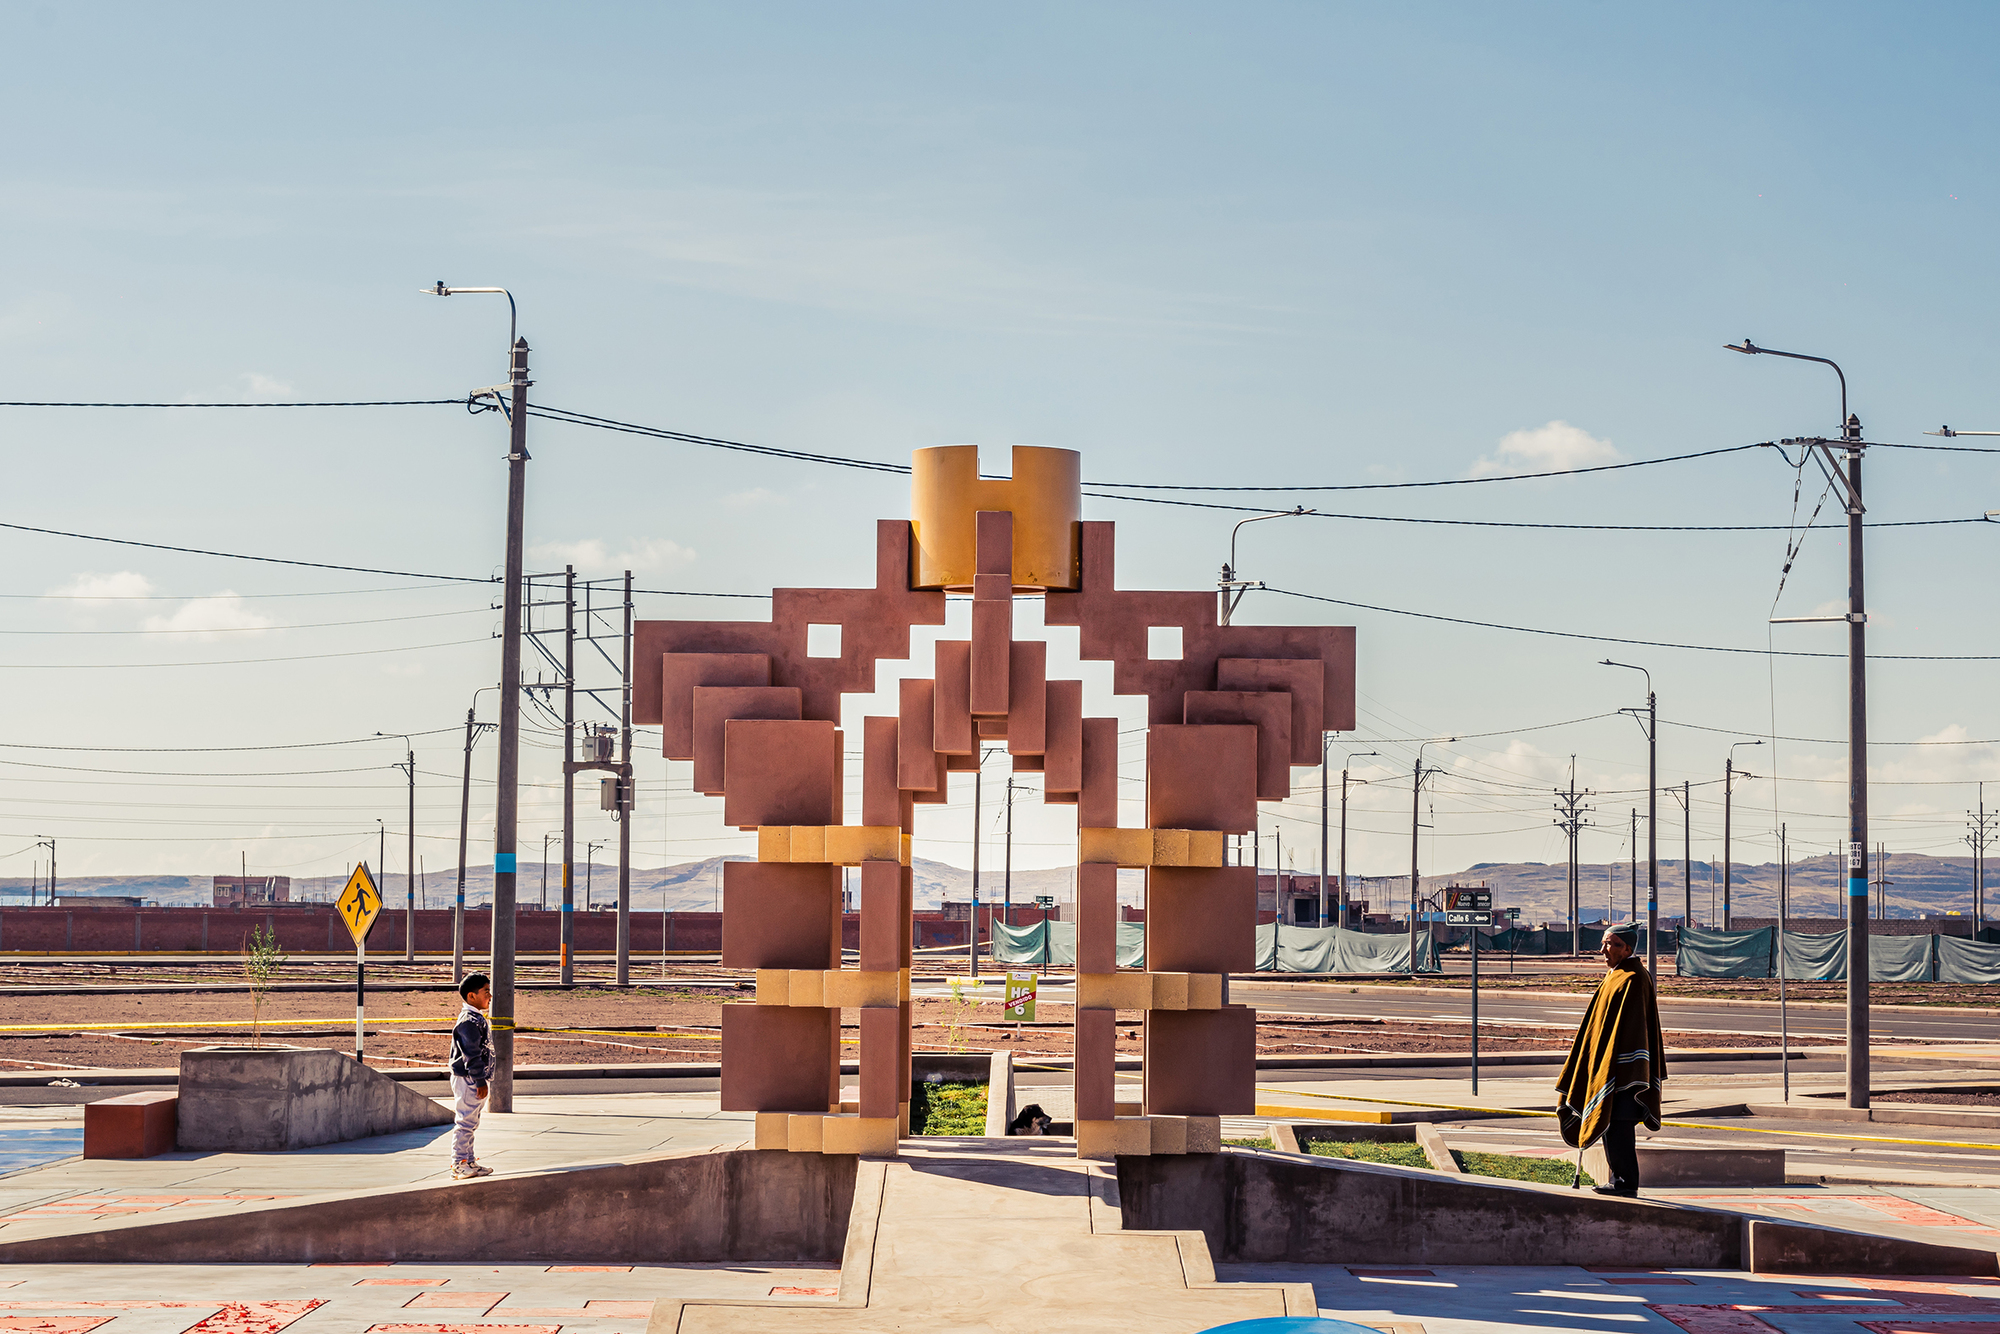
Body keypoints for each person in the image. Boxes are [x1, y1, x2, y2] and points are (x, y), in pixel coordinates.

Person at [1555, 923, 1665, 1197]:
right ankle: (1618, 1180)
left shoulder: (1634, 978)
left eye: (1614, 944)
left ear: (1628, 948)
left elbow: (1632, 1031)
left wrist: (1616, 1066)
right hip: (1608, 1069)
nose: (1605, 949)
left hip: (1625, 1076)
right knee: (1609, 1127)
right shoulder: (1615, 976)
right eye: (1605, 943)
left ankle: (1625, 1183)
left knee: (1618, 1127)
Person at [449, 971, 496, 1180]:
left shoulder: (475, 1018)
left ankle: (468, 1160)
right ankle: (459, 1163)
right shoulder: (468, 1021)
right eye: (486, 991)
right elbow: (472, 1054)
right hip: (468, 1078)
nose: (490, 996)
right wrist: (479, 1080)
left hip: (474, 1078)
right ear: (471, 996)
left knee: (471, 1122)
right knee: (465, 1122)